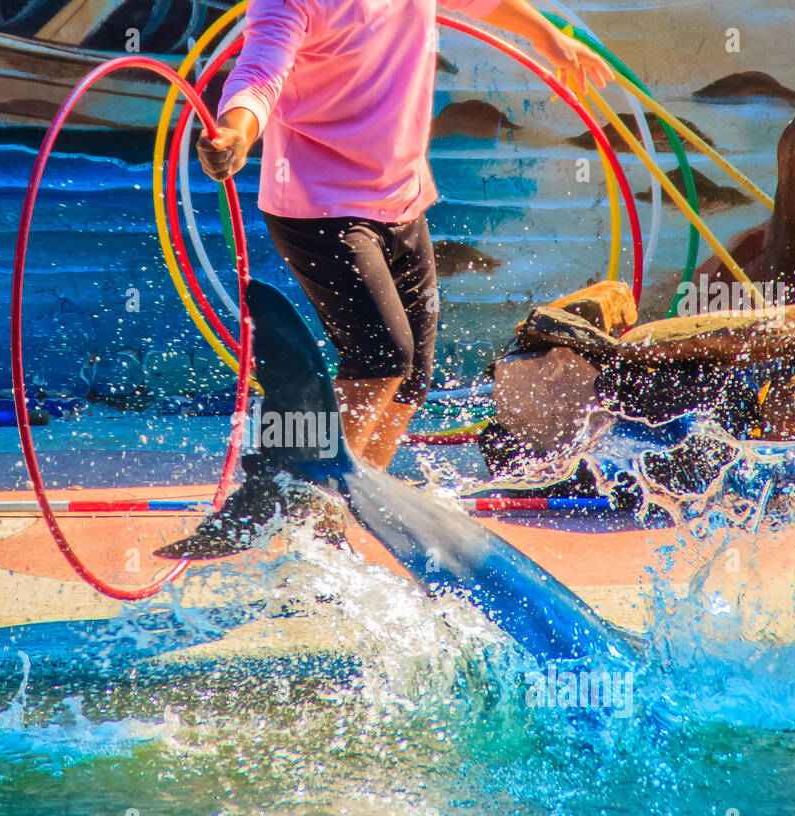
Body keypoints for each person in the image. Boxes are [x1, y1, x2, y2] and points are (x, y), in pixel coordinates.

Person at [156, 0, 611, 560]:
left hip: (402, 199)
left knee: (413, 377)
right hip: (319, 206)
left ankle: (331, 523)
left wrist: (549, 38)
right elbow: (259, 73)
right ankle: (285, 488)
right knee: (382, 358)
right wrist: (236, 134)